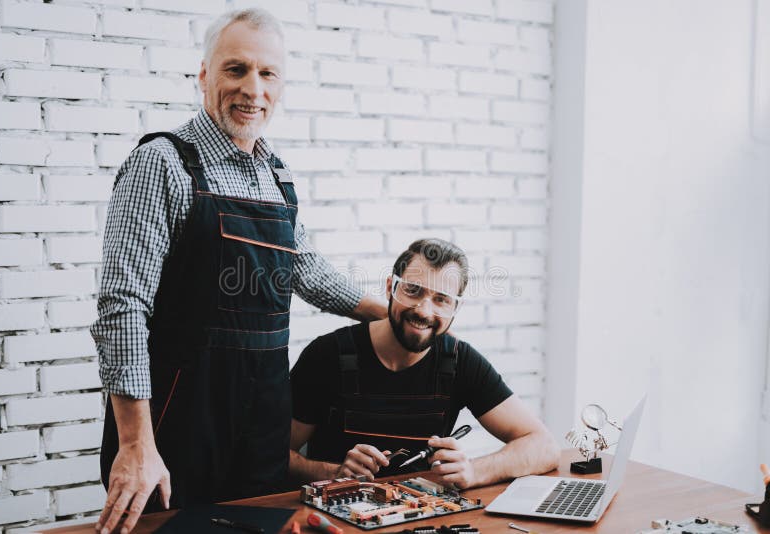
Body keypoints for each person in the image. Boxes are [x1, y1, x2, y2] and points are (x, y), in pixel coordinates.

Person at [90, 9, 385, 534]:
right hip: (178, 423)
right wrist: (136, 444)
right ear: (204, 75)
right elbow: (122, 307)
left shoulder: (277, 175)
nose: (253, 89)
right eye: (235, 70)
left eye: (267, 74)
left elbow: (305, 268)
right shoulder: (162, 163)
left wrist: (389, 312)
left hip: (262, 420)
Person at [289, 238, 560, 490]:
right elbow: (268, 453)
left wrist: (474, 471)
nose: (423, 310)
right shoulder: (326, 355)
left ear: (455, 308)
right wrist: (333, 473)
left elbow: (543, 446)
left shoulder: (459, 361)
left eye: (441, 299)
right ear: (390, 288)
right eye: (413, 290)